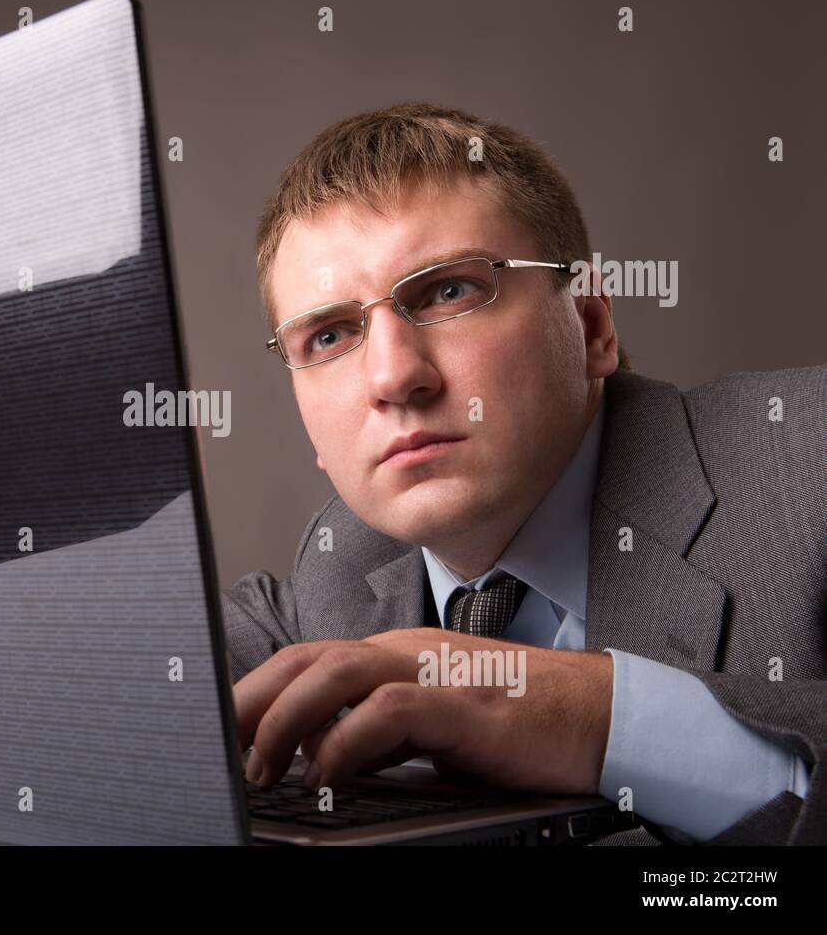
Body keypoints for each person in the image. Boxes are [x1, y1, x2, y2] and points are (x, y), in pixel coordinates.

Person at [222, 102, 824, 845]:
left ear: (593, 325)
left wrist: (605, 722)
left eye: (447, 291)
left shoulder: (807, 464)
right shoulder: (341, 566)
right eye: (331, 334)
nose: (392, 377)